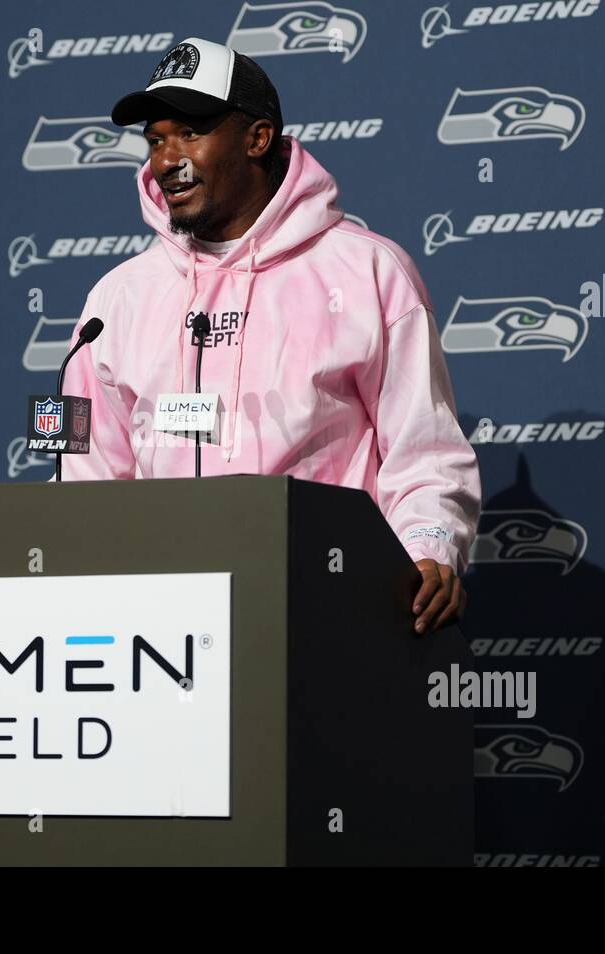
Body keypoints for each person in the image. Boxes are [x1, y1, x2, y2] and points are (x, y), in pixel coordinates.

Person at [61, 37, 481, 634]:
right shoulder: (114, 299)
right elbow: (83, 477)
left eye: (190, 133)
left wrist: (427, 552)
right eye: (156, 139)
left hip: (330, 614)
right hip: (159, 629)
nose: (167, 159)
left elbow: (426, 455)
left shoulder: (369, 272)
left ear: (257, 138)